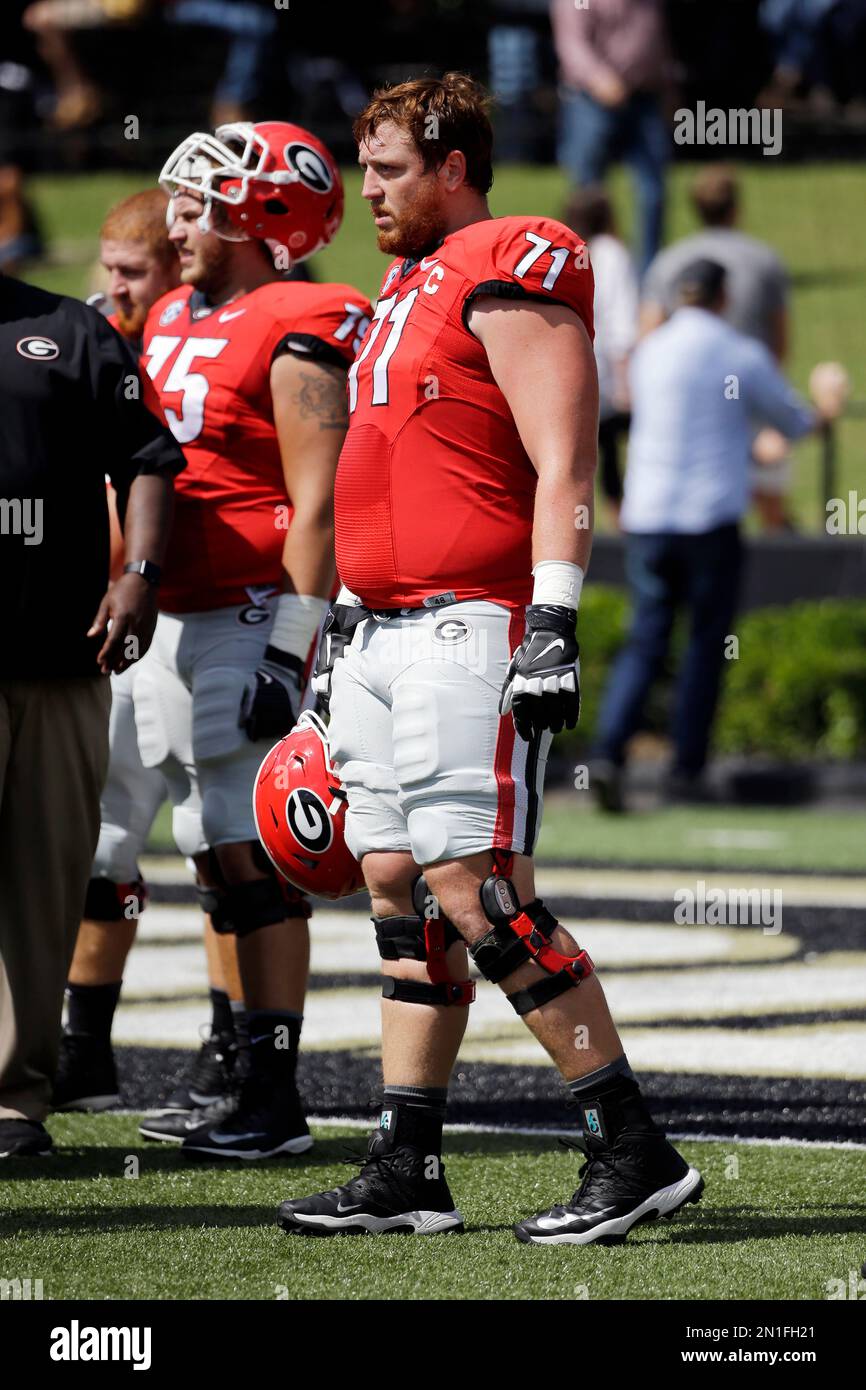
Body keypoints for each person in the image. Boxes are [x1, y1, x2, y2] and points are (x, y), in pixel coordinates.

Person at [277, 72, 704, 1246]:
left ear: (454, 166)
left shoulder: (509, 255)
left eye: (389, 169)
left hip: (469, 623)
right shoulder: (399, 286)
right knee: (396, 893)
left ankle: (632, 1150)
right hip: (375, 631)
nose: (368, 191)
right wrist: (327, 638)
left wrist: (554, 616)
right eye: (361, 169)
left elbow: (563, 456)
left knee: (480, 893)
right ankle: (408, 1164)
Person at [133, 120, 372, 1158]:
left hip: (246, 608)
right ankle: (235, 1062)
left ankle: (276, 1098)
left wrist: (290, 643)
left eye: (209, 198)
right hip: (172, 615)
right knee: (205, 851)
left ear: (263, 211)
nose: (182, 218)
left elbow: (316, 500)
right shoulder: (172, 311)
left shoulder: (300, 315)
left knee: (254, 854)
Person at [0, 268, 184, 1158]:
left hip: (59, 658)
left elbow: (147, 459)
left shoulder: (74, 331)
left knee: (41, 886)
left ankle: (13, 1098)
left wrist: (138, 575)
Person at [54, 188, 231, 1115]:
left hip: (214, 613)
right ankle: (85, 1046)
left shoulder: (233, 329)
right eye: (110, 268)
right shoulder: (87, 339)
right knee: (103, 842)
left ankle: (229, 1034)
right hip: (109, 614)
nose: (113, 287)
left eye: (134, 271)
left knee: (218, 839)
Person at [592, 259, 849, 813]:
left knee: (646, 639)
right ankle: (685, 770)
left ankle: (610, 755)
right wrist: (828, 406)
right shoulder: (738, 353)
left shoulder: (651, 352)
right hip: (708, 519)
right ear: (723, 296)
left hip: (650, 516)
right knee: (706, 646)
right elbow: (795, 423)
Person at [640, 167, 795, 530]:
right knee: (768, 501)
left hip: (687, 399)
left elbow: (647, 338)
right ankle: (784, 581)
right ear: (736, 207)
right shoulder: (764, 259)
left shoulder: (669, 261)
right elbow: (781, 339)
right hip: (750, 393)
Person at [550, 0, 673, 274]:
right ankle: (581, 271)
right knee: (588, 194)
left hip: (645, 98)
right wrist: (599, 79)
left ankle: (649, 276)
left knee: (653, 192)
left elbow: (656, 39)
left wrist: (667, 84)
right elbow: (572, 43)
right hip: (591, 100)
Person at [563, 184, 638, 522]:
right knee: (623, 458)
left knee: (594, 459)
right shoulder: (612, 253)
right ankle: (626, 524)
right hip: (611, 375)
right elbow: (622, 321)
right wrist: (626, 382)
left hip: (576, 371)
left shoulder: (569, 254)